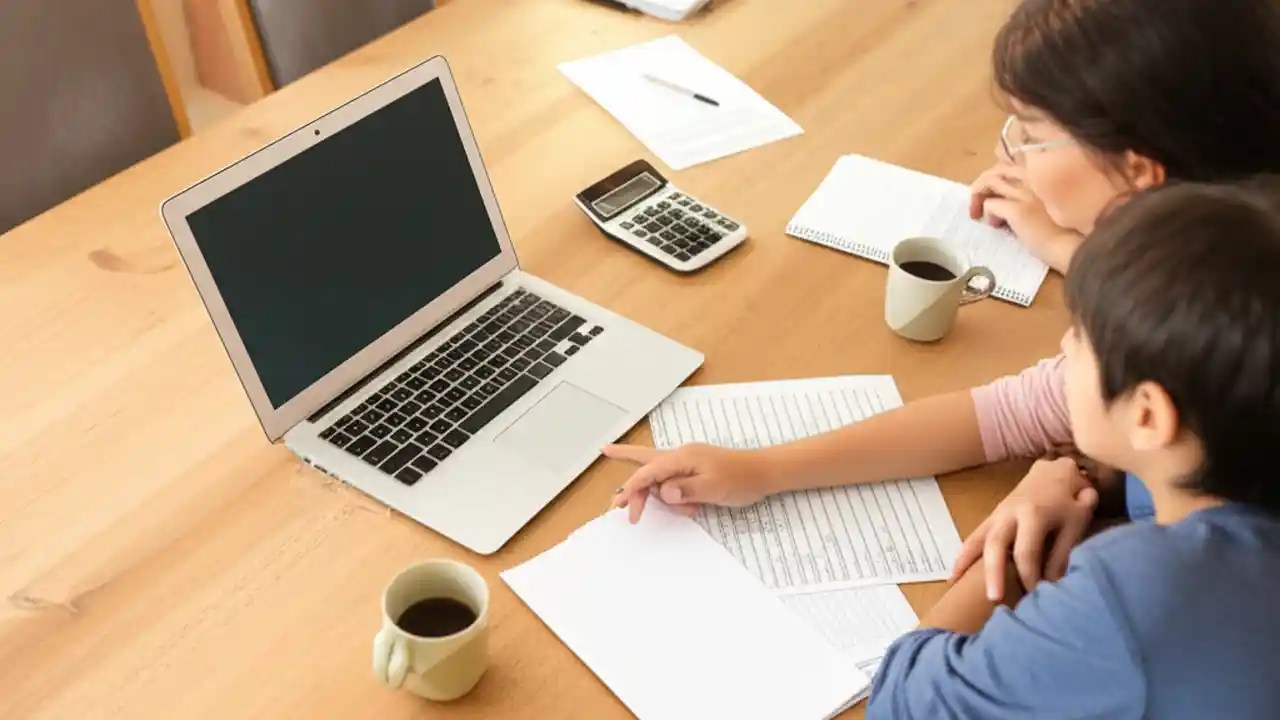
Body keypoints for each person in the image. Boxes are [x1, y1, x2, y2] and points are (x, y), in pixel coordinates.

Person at [606, 0, 1280, 602]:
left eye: (1031, 130)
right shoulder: (1222, 281)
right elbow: (1014, 413)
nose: (1008, 151)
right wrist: (762, 468)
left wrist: (1071, 510)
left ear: (1137, 167)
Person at [866, 180, 1280, 718]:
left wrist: (1012, 555)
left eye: (1080, 337)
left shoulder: (1136, 594)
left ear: (1148, 415)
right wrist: (1085, 478)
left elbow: (905, 701)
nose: (1063, 346)